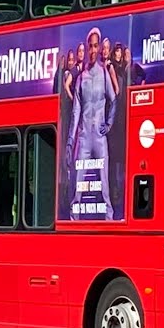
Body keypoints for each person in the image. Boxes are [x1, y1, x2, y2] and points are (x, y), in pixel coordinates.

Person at [66, 27, 116, 220]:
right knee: (78, 184)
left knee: (104, 184)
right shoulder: (81, 78)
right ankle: (73, 221)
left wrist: (109, 123)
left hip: (100, 136)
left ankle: (109, 220)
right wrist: (71, 140)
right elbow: (76, 111)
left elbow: (113, 99)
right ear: (87, 48)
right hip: (84, 137)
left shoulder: (104, 74)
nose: (94, 50)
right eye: (91, 46)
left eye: (96, 46)